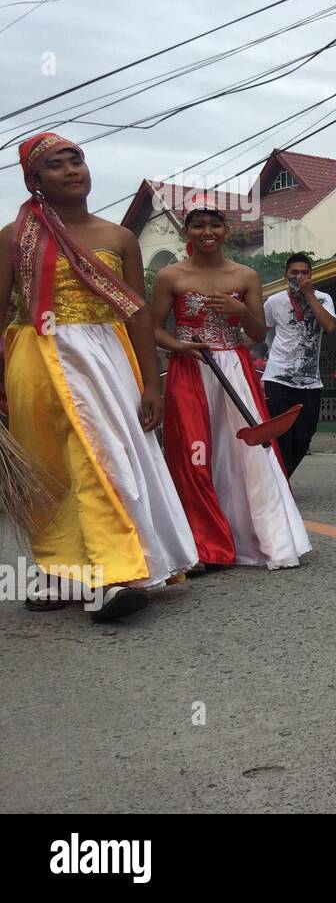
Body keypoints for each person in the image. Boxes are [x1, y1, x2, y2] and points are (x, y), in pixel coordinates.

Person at [0, 133, 197, 619]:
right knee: (50, 469)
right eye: (55, 165)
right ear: (35, 181)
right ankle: (61, 572)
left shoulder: (119, 238)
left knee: (101, 460)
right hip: (34, 356)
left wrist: (153, 384)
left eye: (77, 160)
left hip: (105, 359)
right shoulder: (13, 237)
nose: (72, 170)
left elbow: (138, 317)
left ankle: (115, 574)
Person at [152, 207, 311, 569]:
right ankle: (203, 547)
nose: (206, 232)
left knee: (248, 451)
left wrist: (237, 311)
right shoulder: (169, 276)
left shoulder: (245, 275)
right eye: (198, 226)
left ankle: (262, 536)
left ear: (226, 231)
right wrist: (179, 346)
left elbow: (257, 334)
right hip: (189, 367)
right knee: (193, 451)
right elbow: (154, 328)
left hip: (235, 368)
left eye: (214, 225)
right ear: (187, 233)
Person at [261, 253, 336, 476]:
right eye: (294, 272)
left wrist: (308, 295)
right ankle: (279, 484)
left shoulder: (323, 299)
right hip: (278, 377)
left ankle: (280, 479)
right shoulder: (274, 301)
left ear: (311, 275)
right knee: (280, 436)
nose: (299, 276)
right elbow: (258, 333)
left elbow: (330, 326)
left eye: (304, 272)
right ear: (286, 274)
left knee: (303, 437)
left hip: (310, 381)